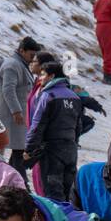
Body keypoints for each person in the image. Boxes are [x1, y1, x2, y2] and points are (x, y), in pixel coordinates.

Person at [25, 61, 85, 201]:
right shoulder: (74, 97)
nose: (40, 78)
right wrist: (73, 144)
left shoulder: (48, 96)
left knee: (53, 195)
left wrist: (29, 149)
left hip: (52, 152)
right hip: (70, 150)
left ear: (51, 76)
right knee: (67, 193)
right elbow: (78, 127)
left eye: (43, 75)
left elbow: (37, 125)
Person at [0, 36, 40, 177]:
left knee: (17, 150)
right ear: (22, 50)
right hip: (12, 116)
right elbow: (8, 90)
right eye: (31, 55)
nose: (33, 59)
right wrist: (16, 111)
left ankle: (9, 177)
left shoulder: (20, 64)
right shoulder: (12, 65)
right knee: (5, 149)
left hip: (18, 117)